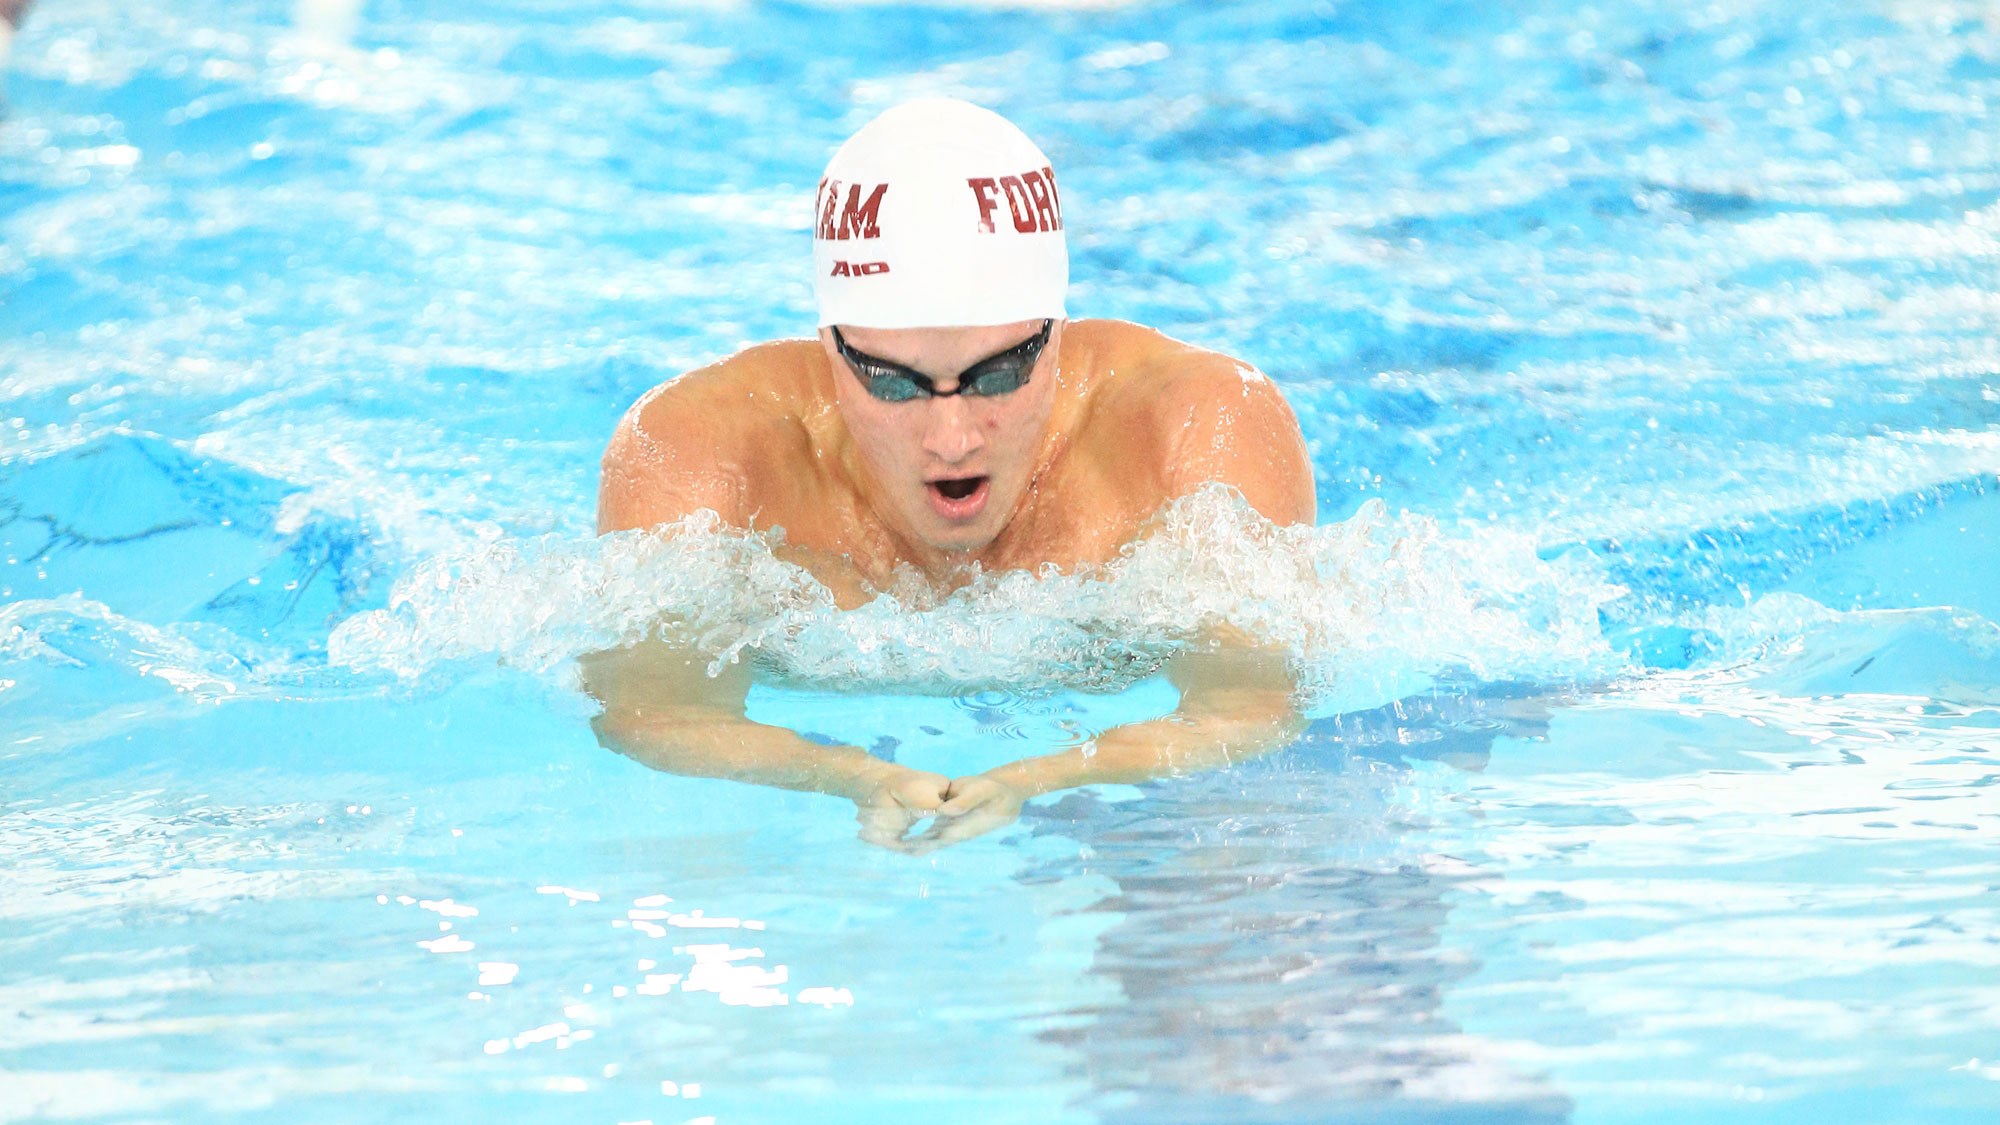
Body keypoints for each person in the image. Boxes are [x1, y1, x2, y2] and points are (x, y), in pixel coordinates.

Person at [583, 98, 1315, 850]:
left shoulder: (1196, 433)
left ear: (1055, 335)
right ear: (830, 347)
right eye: (894, 383)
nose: (952, 437)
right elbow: (652, 711)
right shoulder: (701, 455)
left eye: (997, 374)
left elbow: (1250, 705)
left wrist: (1043, 778)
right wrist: (848, 775)